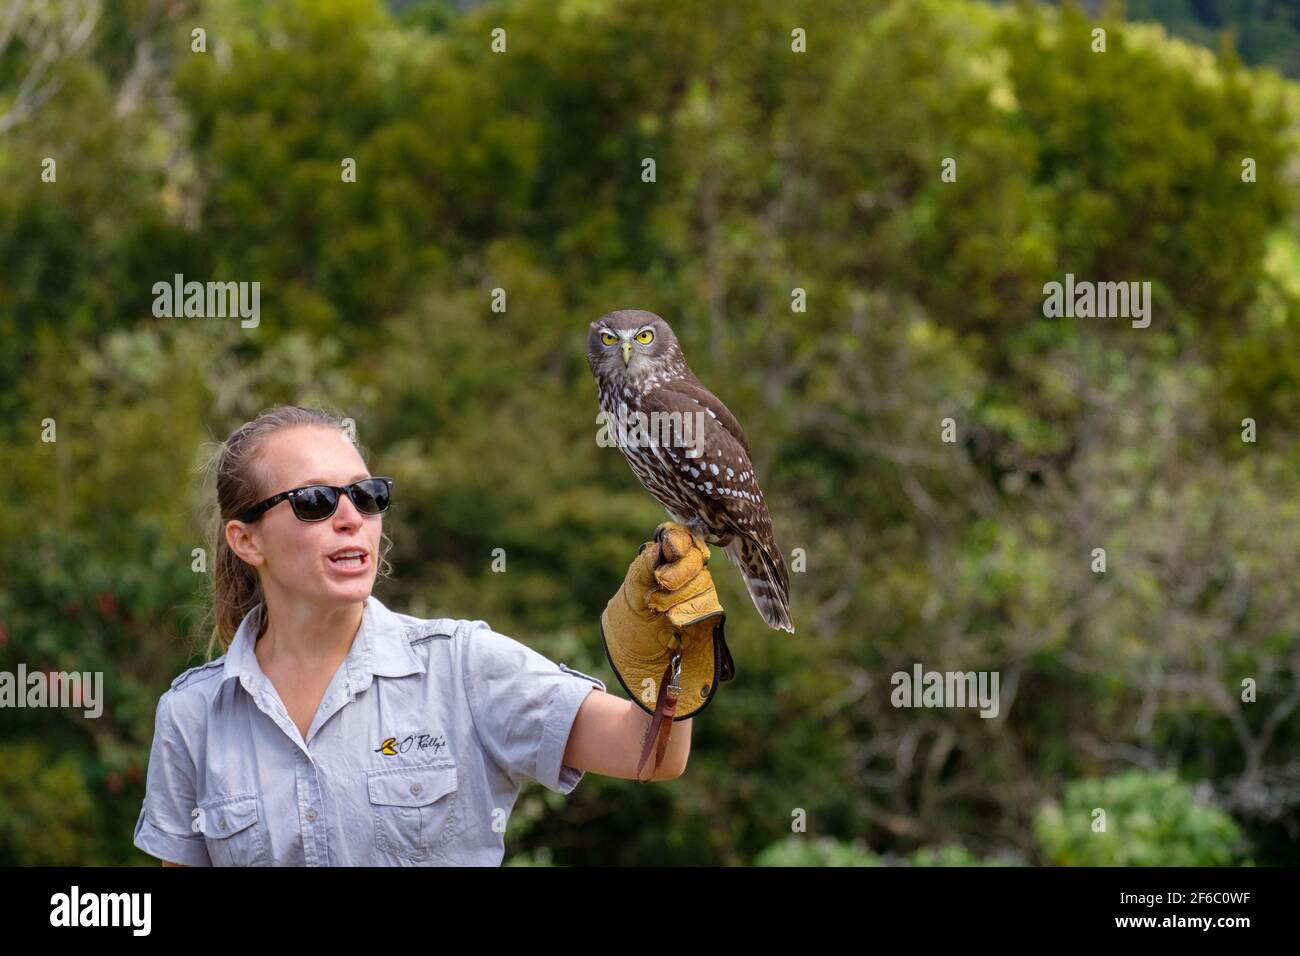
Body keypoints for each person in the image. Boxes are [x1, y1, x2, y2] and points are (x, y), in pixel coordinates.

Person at [131, 405, 726, 866]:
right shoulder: (193, 715)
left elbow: (650, 755)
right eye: (314, 501)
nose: (350, 517)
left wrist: (675, 655)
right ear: (246, 540)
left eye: (367, 496)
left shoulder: (462, 666)